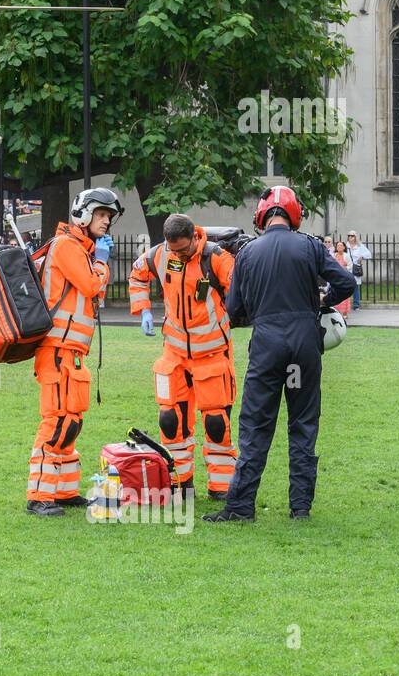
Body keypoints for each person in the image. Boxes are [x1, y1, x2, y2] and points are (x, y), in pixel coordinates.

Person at [205, 186, 354, 522]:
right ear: (293, 214)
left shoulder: (247, 253)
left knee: (256, 424)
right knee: (303, 423)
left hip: (267, 342)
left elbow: (234, 307)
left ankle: (241, 506)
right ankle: (300, 506)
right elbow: (345, 282)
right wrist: (320, 302)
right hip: (304, 342)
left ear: (262, 216)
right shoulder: (311, 246)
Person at [26, 187, 122, 517]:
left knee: (72, 422)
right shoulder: (68, 246)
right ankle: (38, 495)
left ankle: (64, 491)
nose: (106, 221)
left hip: (72, 352)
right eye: (101, 214)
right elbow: (91, 285)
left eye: (109, 217)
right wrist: (101, 262)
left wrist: (97, 259)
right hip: (57, 350)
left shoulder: (80, 249)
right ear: (83, 214)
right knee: (56, 422)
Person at [127, 213, 238, 499]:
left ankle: (221, 485)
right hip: (174, 354)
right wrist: (144, 310)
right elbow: (137, 274)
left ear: (194, 237)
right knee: (170, 420)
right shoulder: (160, 255)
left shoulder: (215, 258)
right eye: (173, 249)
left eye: (183, 249)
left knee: (216, 423)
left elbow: (242, 288)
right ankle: (180, 482)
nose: (178, 254)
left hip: (212, 354)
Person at [345, 230, 371, 310]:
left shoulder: (360, 246)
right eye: (349, 236)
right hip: (347, 268)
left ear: (355, 237)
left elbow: (369, 254)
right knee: (346, 286)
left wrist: (362, 256)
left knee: (356, 287)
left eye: (352, 236)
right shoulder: (346, 246)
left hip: (356, 268)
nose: (350, 237)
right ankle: (346, 305)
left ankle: (356, 304)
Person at [332, 241, 352, 317]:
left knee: (345, 295)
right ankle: (336, 312)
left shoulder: (346, 256)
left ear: (344, 247)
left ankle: (345, 313)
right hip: (336, 278)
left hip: (344, 278)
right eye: (338, 246)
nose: (339, 247)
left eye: (341, 245)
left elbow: (350, 266)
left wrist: (343, 268)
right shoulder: (333, 256)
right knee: (336, 294)